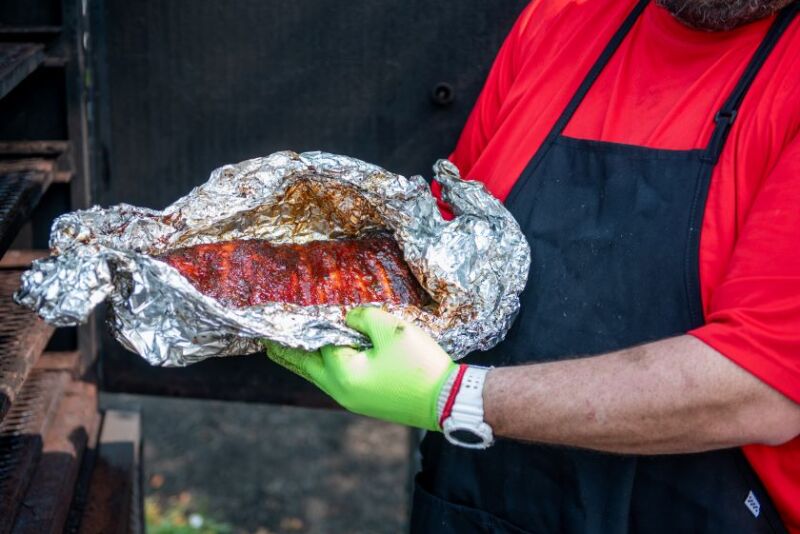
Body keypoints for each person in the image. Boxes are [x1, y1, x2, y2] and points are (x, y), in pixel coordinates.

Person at [265, 0, 800, 531]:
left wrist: (457, 398)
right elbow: (452, 238)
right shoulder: (563, 16)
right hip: (480, 504)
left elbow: (759, 388)